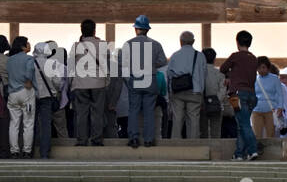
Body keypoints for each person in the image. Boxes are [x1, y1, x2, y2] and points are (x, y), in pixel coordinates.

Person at [118, 14, 166, 148]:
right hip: (150, 78)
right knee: (149, 111)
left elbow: (122, 63)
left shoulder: (128, 44)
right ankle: (149, 140)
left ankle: (133, 138)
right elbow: (162, 61)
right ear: (148, 30)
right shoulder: (156, 44)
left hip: (135, 78)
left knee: (133, 109)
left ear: (135, 29)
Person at [219, 30, 260, 160]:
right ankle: (238, 154)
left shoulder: (235, 56)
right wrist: (233, 75)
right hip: (252, 95)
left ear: (237, 42)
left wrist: (229, 75)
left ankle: (253, 150)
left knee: (244, 124)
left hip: (238, 95)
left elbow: (222, 68)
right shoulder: (254, 58)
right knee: (242, 124)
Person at [70, 19, 109, 146]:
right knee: (97, 113)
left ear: (81, 31)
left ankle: (81, 140)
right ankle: (96, 139)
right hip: (98, 83)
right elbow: (108, 63)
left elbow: (71, 66)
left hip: (81, 84)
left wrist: (71, 83)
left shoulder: (76, 46)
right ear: (94, 30)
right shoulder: (102, 44)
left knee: (81, 113)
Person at [167, 30, 205, 139]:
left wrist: (170, 92)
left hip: (178, 91)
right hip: (195, 91)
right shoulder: (200, 56)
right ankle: (193, 146)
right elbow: (203, 74)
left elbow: (169, 74)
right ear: (193, 41)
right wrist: (201, 92)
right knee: (193, 119)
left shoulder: (175, 55)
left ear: (180, 42)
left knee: (177, 118)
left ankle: (176, 144)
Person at [4, 36, 35, 158]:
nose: (29, 45)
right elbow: (29, 73)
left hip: (12, 93)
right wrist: (28, 80)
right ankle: (27, 151)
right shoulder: (29, 59)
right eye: (27, 43)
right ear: (23, 46)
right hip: (26, 92)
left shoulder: (9, 60)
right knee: (28, 123)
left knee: (14, 123)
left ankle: (14, 151)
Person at [32, 40, 63, 159]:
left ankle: (30, 150)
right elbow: (57, 82)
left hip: (33, 97)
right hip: (47, 97)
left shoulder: (31, 63)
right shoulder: (52, 63)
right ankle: (44, 153)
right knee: (46, 125)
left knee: (31, 124)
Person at [253, 56, 286, 140]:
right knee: (256, 135)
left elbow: (279, 94)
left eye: (263, 67)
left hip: (271, 110)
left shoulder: (275, 79)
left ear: (268, 67)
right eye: (258, 68)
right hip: (256, 110)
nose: (261, 70)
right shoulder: (254, 79)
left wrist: (280, 107)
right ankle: (257, 151)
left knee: (270, 134)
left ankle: (270, 152)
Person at [202, 47, 229, 139]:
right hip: (217, 105)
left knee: (203, 131)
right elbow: (223, 90)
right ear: (214, 59)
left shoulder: (199, 73)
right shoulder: (220, 74)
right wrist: (216, 100)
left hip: (202, 105)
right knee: (216, 132)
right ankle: (216, 151)